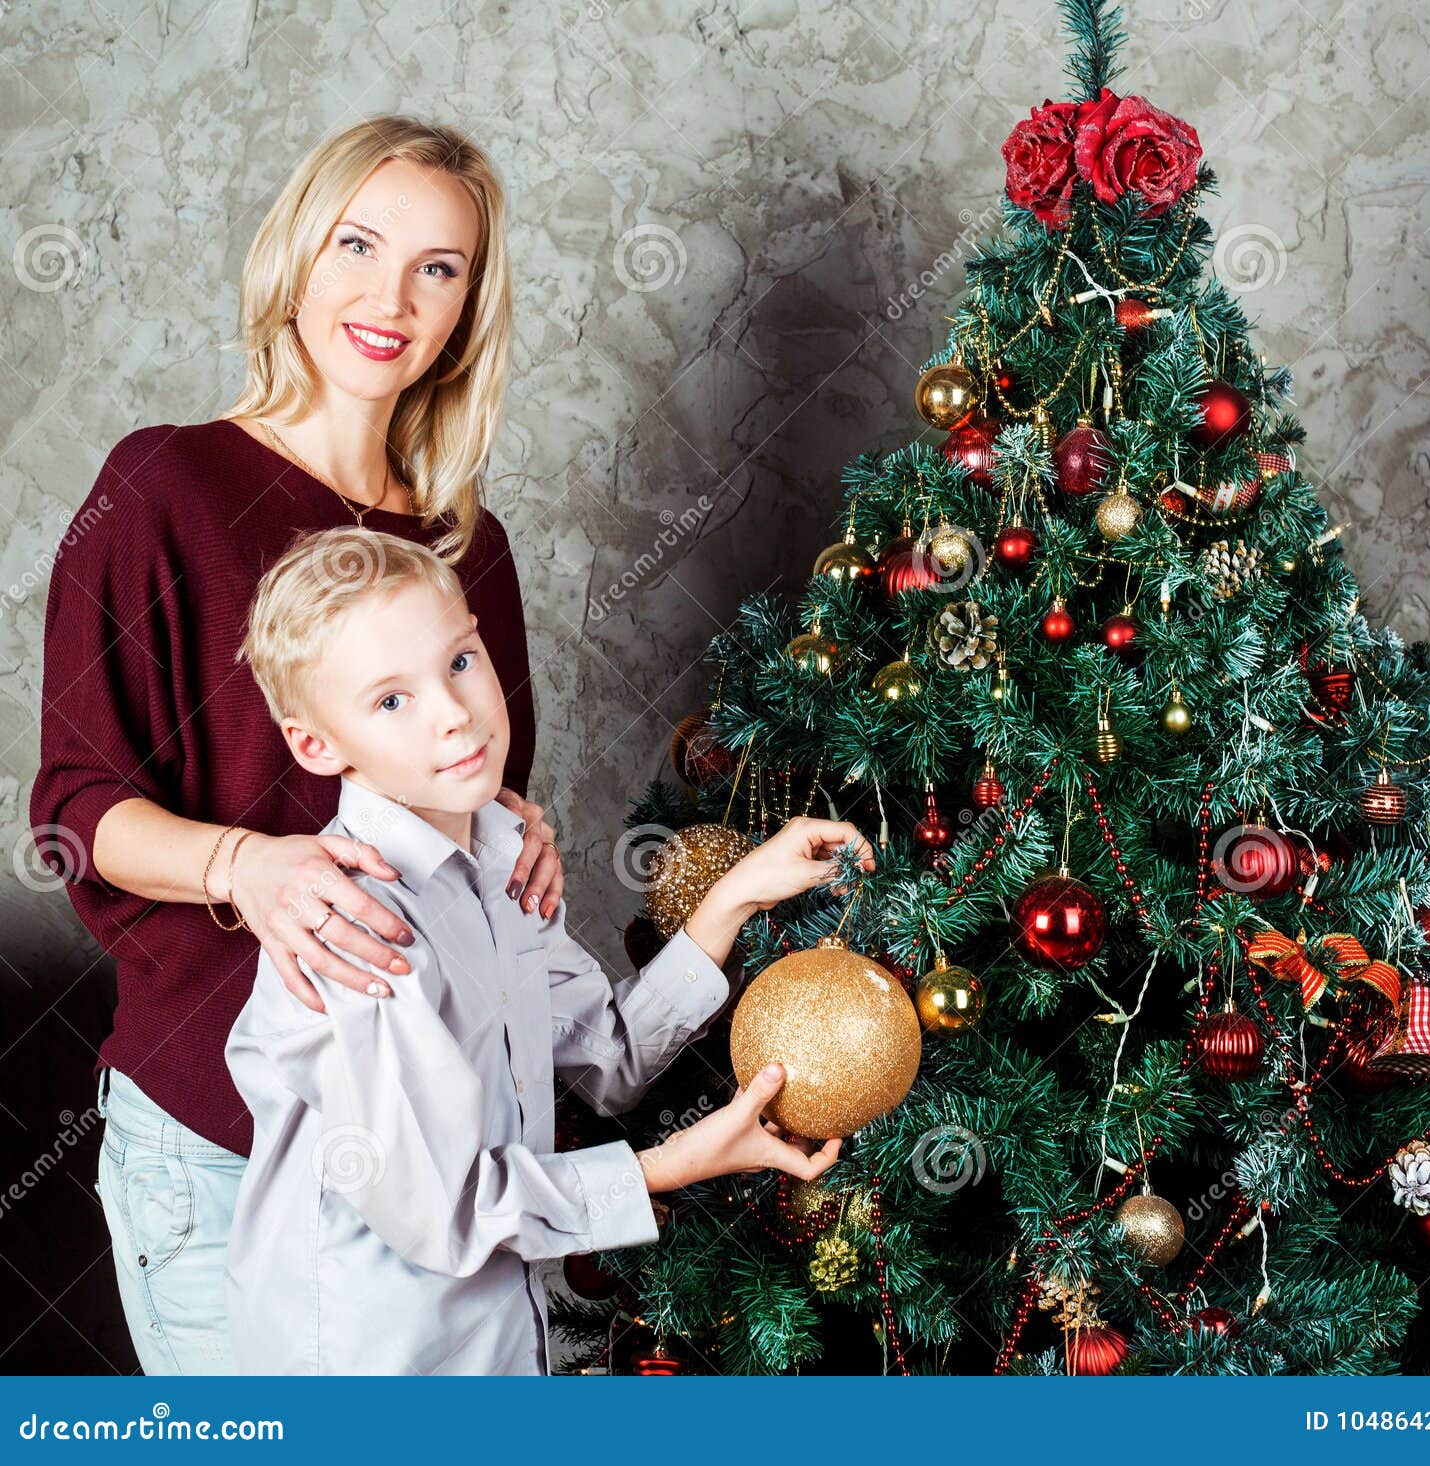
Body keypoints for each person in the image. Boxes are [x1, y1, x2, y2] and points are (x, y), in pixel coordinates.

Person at [31, 117, 567, 1374]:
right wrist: (249, 866)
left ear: (466, 308)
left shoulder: (467, 549)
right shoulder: (164, 487)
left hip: (428, 1155)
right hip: (219, 1142)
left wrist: (515, 826)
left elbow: (457, 805)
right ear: (297, 256)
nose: (391, 299)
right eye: (358, 246)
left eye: (437, 268)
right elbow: (75, 810)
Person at [225, 527, 869, 1374]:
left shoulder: (505, 856)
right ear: (316, 745)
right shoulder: (354, 927)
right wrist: (663, 1168)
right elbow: (447, 1211)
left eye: (460, 662)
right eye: (391, 701)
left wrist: (736, 894)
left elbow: (610, 1055)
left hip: (497, 1344)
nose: (454, 713)